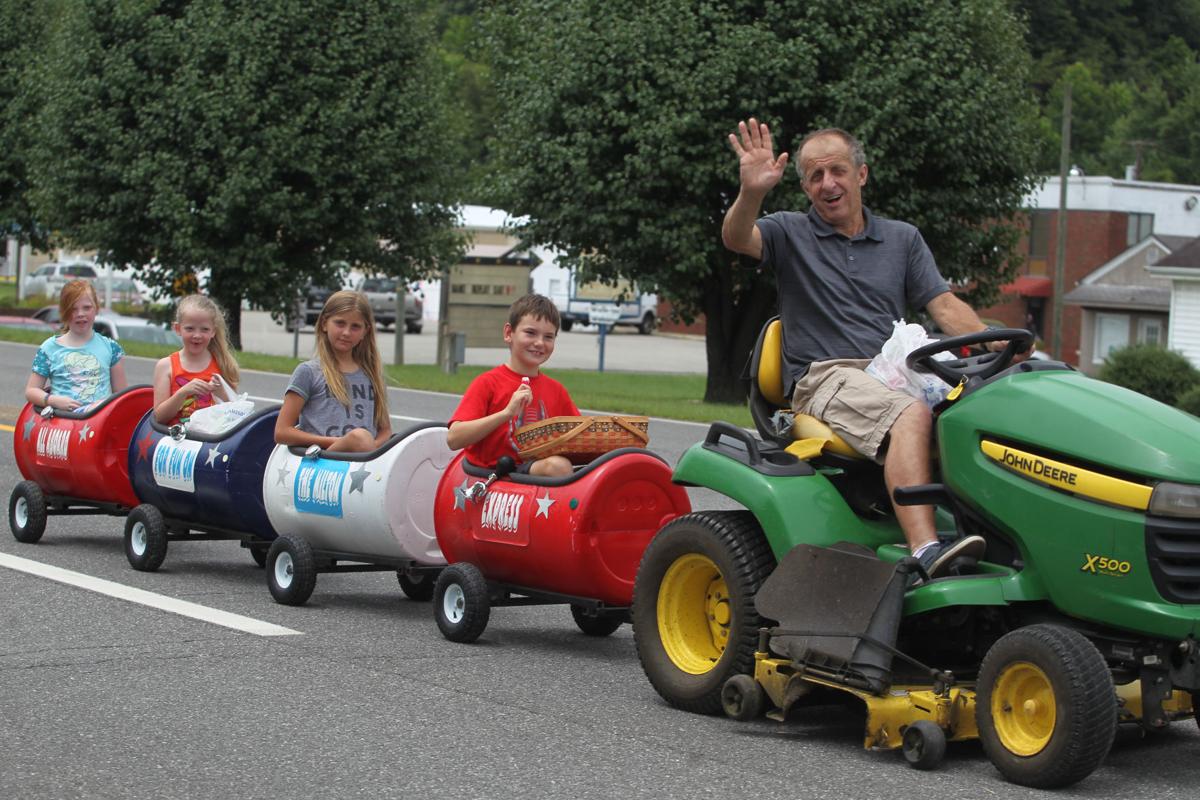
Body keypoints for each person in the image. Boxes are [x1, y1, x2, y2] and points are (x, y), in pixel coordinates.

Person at [722, 119, 1027, 580]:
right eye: (816, 176)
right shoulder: (788, 233)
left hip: (896, 370)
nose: (829, 184)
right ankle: (926, 549)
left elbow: (943, 305)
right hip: (825, 375)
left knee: (989, 413)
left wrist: (992, 339)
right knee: (911, 415)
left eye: (838, 171)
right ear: (804, 186)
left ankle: (1011, 541)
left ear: (861, 175)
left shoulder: (902, 239)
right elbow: (737, 237)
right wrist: (751, 193)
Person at [446, 294, 578, 478]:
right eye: (530, 333)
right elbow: (453, 439)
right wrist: (506, 413)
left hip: (533, 473)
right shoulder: (487, 383)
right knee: (558, 467)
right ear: (509, 333)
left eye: (548, 337)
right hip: (492, 476)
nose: (539, 343)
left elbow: (578, 439)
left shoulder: (557, 391)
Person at [275, 290, 392, 452]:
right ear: (324, 324)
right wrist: (337, 442)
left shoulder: (373, 376)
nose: (346, 332)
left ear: (365, 331)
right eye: (340, 323)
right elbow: (282, 432)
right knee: (359, 436)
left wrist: (369, 449)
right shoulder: (309, 372)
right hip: (323, 463)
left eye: (355, 327)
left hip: (364, 463)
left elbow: (385, 431)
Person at [24, 279, 127, 411]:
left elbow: (122, 396)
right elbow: (31, 390)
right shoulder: (49, 348)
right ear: (63, 312)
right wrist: (53, 401)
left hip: (99, 422)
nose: (80, 314)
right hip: (63, 422)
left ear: (96, 308)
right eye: (73, 309)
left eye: (87, 308)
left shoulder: (111, 348)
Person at [152, 294, 240, 425]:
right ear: (177, 329)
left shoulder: (223, 364)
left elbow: (236, 415)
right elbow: (159, 417)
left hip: (210, 441)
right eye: (190, 328)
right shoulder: (166, 366)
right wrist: (183, 393)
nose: (197, 335)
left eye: (204, 329)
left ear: (213, 332)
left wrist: (222, 394)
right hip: (176, 440)